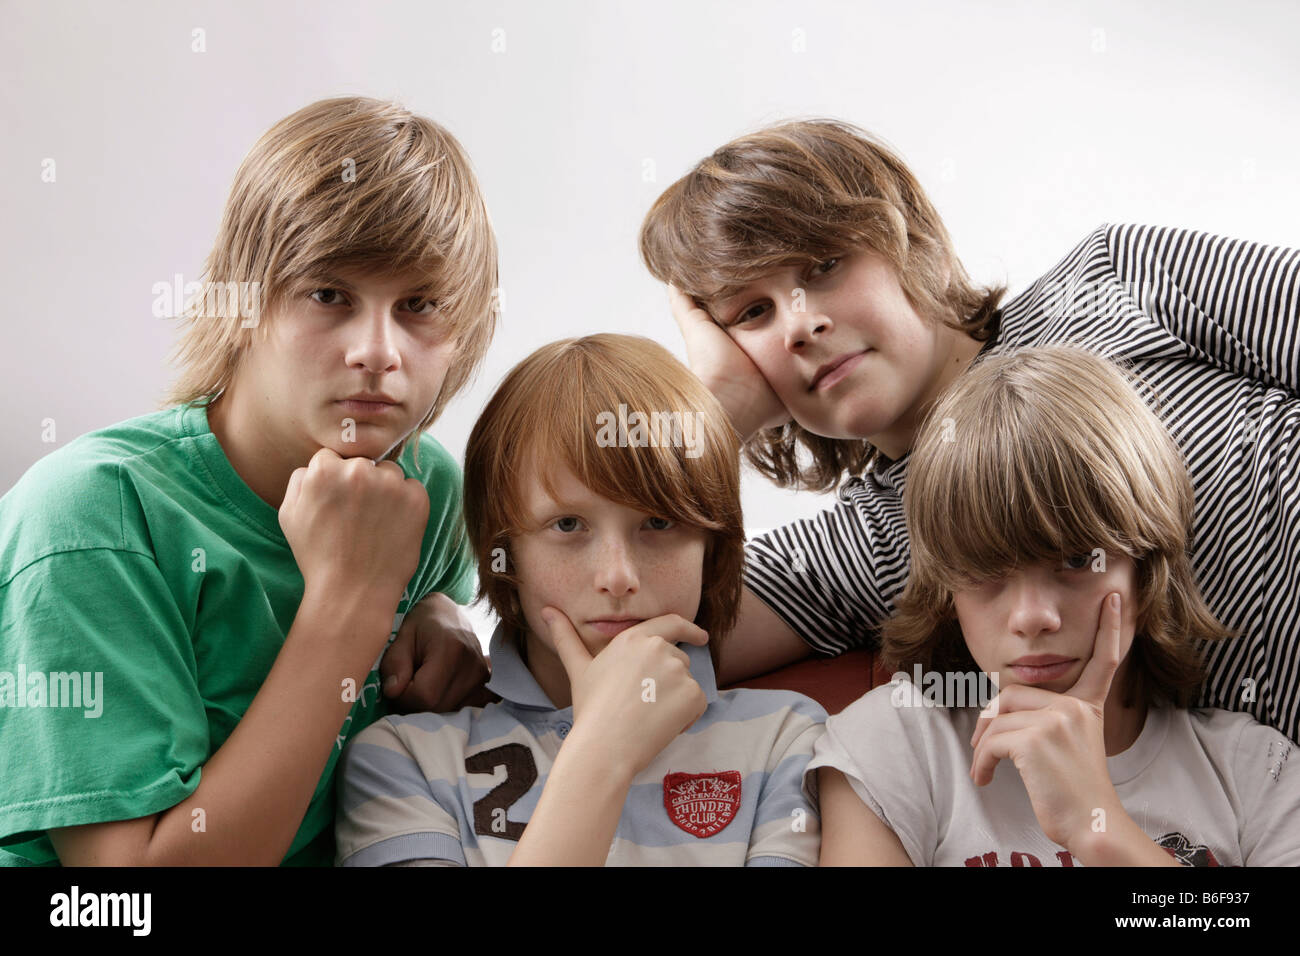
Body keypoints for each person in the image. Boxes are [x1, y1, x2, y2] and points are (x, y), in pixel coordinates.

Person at [637, 118, 1300, 745]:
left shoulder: (1116, 280)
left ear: (908, 240)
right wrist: (710, 413)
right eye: (754, 311)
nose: (800, 324)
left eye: (822, 267)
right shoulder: (864, 546)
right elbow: (618, 645)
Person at [0, 96, 497, 866]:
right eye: (329, 295)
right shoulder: (94, 516)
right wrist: (352, 604)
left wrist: (437, 606)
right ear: (241, 301)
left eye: (419, 305)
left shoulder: (422, 483)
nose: (376, 351)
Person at [335, 334, 825, 866]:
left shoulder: (787, 739)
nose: (618, 576)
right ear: (504, 552)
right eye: (567, 525)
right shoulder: (404, 760)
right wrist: (601, 753)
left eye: (659, 523)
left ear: (715, 547)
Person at [810, 345, 1300, 866]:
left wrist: (1100, 829)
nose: (1031, 618)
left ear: (1146, 565)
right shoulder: (895, 745)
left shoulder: (1258, 770)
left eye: (1073, 560)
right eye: (984, 571)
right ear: (946, 590)